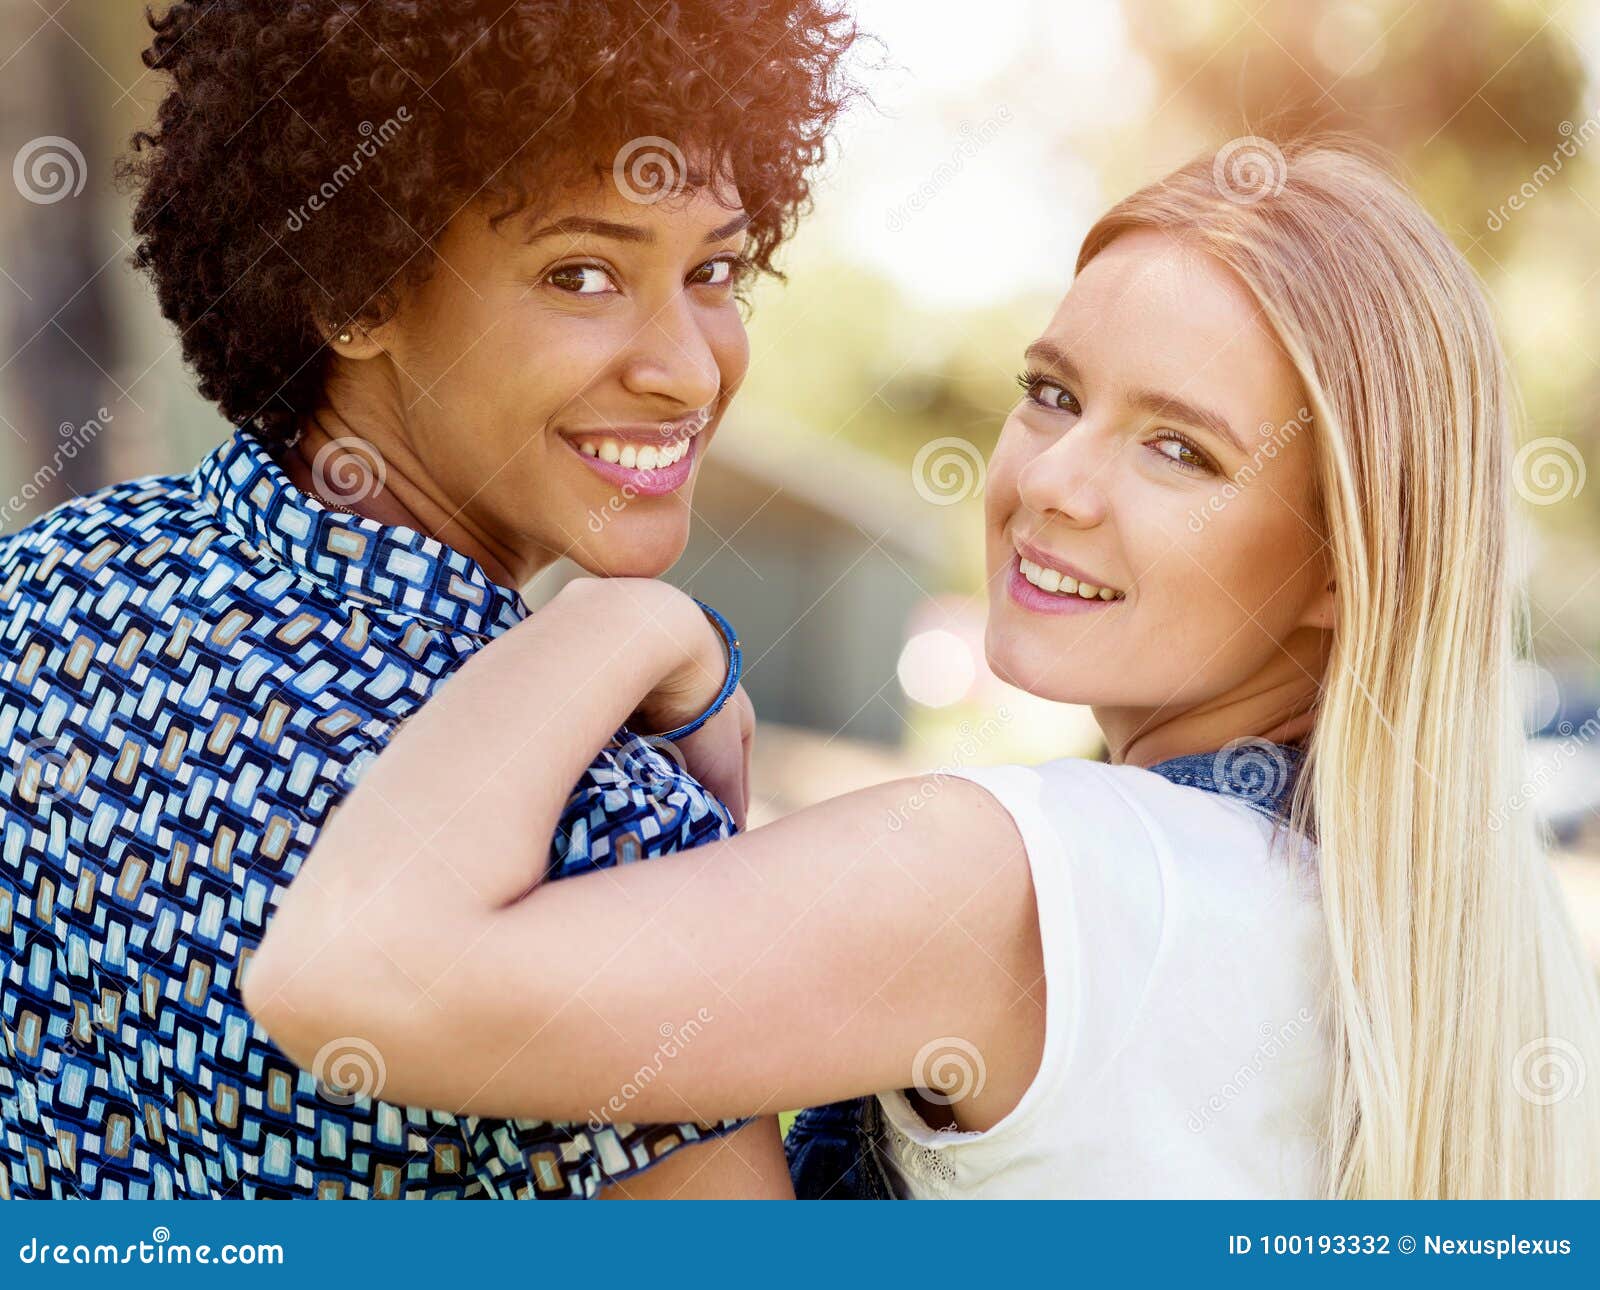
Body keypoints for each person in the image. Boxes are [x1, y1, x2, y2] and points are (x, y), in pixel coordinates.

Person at [249, 140, 1600, 1199]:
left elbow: (349, 970)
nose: (1052, 483)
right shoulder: (1453, 934)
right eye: (1056, 393)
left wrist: (615, 622)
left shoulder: (1015, 877)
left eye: (1179, 450)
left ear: (1340, 568)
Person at [0, 0, 859, 1199]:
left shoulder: (41, 589)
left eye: (712, 269)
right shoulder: (599, 835)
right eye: (582, 273)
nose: (684, 368)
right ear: (355, 286)